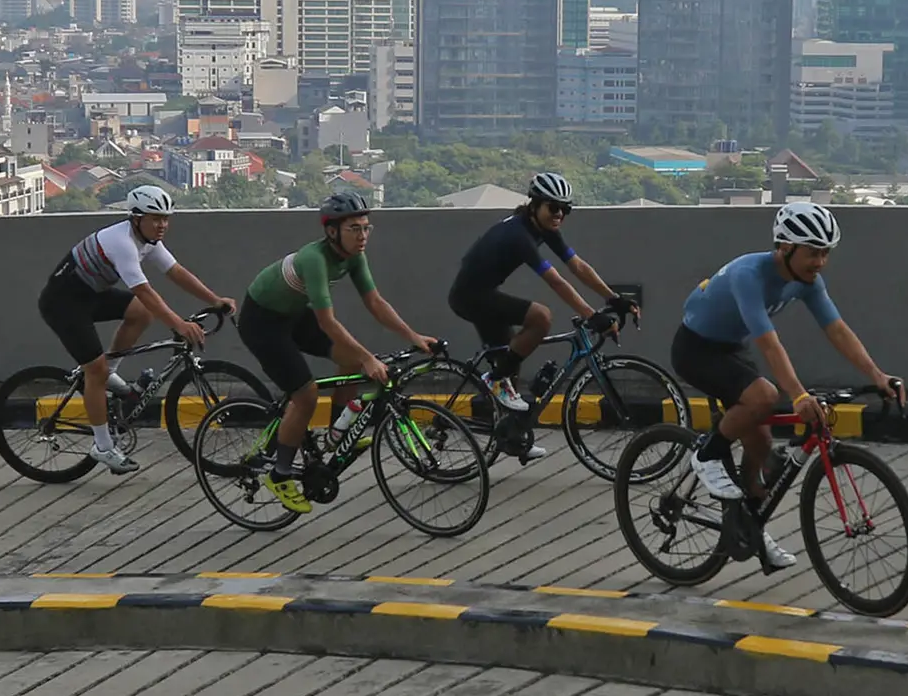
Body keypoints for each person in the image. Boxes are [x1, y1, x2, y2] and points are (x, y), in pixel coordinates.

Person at [671, 200, 904, 570]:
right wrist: (798, 394)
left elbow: (837, 330)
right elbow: (768, 342)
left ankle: (748, 526)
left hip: (731, 349)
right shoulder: (749, 274)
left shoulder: (808, 282)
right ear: (785, 247)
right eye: (813, 252)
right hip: (696, 349)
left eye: (826, 252)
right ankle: (707, 454)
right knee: (765, 395)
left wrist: (877, 376)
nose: (821, 262)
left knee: (761, 443)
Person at [238, 191, 437, 515]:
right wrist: (368, 357)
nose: (362, 236)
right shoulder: (314, 258)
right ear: (332, 231)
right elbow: (327, 321)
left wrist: (413, 337)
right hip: (263, 322)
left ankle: (336, 434)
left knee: (350, 362)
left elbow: (375, 302)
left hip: (294, 314)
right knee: (306, 395)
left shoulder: (354, 255)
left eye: (366, 228)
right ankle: (281, 474)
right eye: (354, 229)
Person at [37, 185, 237, 475]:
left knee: (140, 315)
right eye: (155, 218)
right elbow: (145, 291)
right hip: (63, 304)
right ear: (135, 218)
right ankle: (103, 446)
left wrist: (214, 299)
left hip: (90, 295)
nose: (162, 225)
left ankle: (110, 372)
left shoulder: (148, 240)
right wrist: (178, 324)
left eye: (166, 218)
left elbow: (176, 272)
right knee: (94, 371)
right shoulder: (122, 243)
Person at [447, 172, 635, 424]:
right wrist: (591, 315)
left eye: (565, 209)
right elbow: (556, 281)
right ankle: (494, 380)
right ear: (534, 205)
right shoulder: (518, 235)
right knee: (541, 317)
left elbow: (577, 266)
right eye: (554, 207)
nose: (559, 214)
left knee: (510, 366)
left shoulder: (543, 227)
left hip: (484, 293)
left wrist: (613, 299)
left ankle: (512, 432)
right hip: (469, 297)